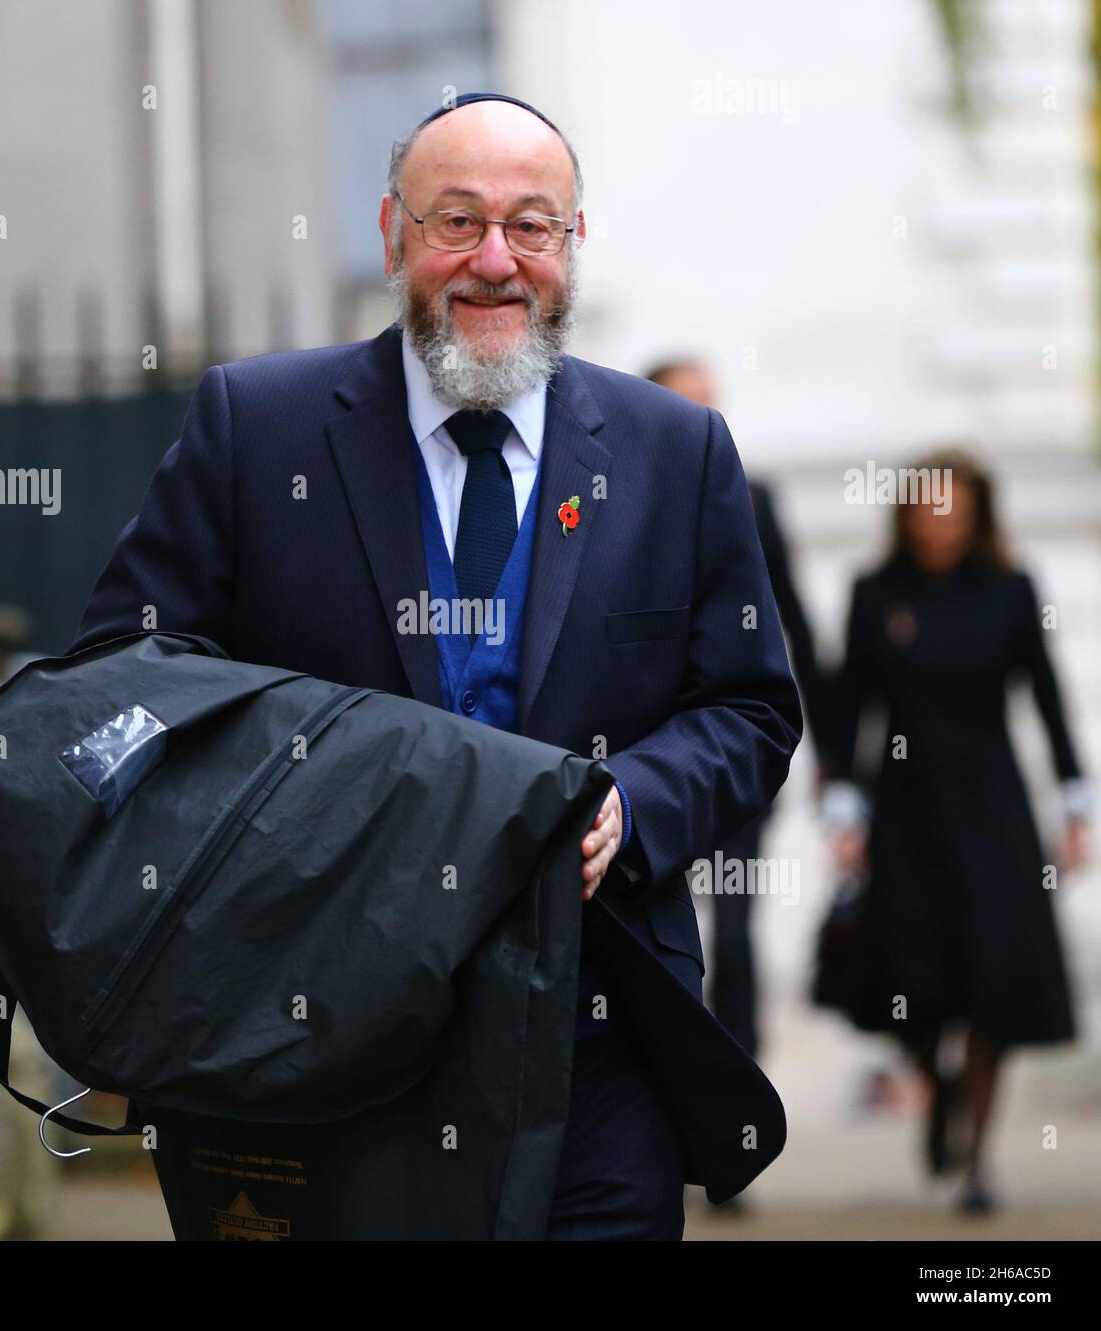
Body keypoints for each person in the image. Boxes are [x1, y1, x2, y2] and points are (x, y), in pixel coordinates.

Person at [68, 92, 802, 1239]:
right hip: (312, 1044)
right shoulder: (256, 426)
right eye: (456, 221)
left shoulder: (676, 450)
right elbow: (124, 675)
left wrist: (633, 801)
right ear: (391, 233)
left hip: (597, 1041)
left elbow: (750, 707)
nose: (495, 260)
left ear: (572, 241)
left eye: (531, 225)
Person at [823, 447, 1091, 1214]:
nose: (940, 527)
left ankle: (976, 1158)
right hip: (903, 813)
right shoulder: (875, 593)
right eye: (927, 511)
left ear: (977, 518)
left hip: (993, 814)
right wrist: (843, 809)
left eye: (956, 513)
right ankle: (935, 1083)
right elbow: (847, 707)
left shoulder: (1010, 589)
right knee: (908, 975)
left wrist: (1074, 804)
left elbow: (1046, 695)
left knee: (989, 982)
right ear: (905, 514)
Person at [646, 358, 830, 1063]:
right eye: (686, 403)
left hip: (732, 742)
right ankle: (670, 1065)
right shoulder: (613, 490)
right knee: (654, 920)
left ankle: (736, 1072)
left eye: (710, 403)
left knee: (735, 918)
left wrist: (829, 751)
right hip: (644, 748)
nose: (704, 419)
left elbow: (796, 623)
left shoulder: (749, 498)